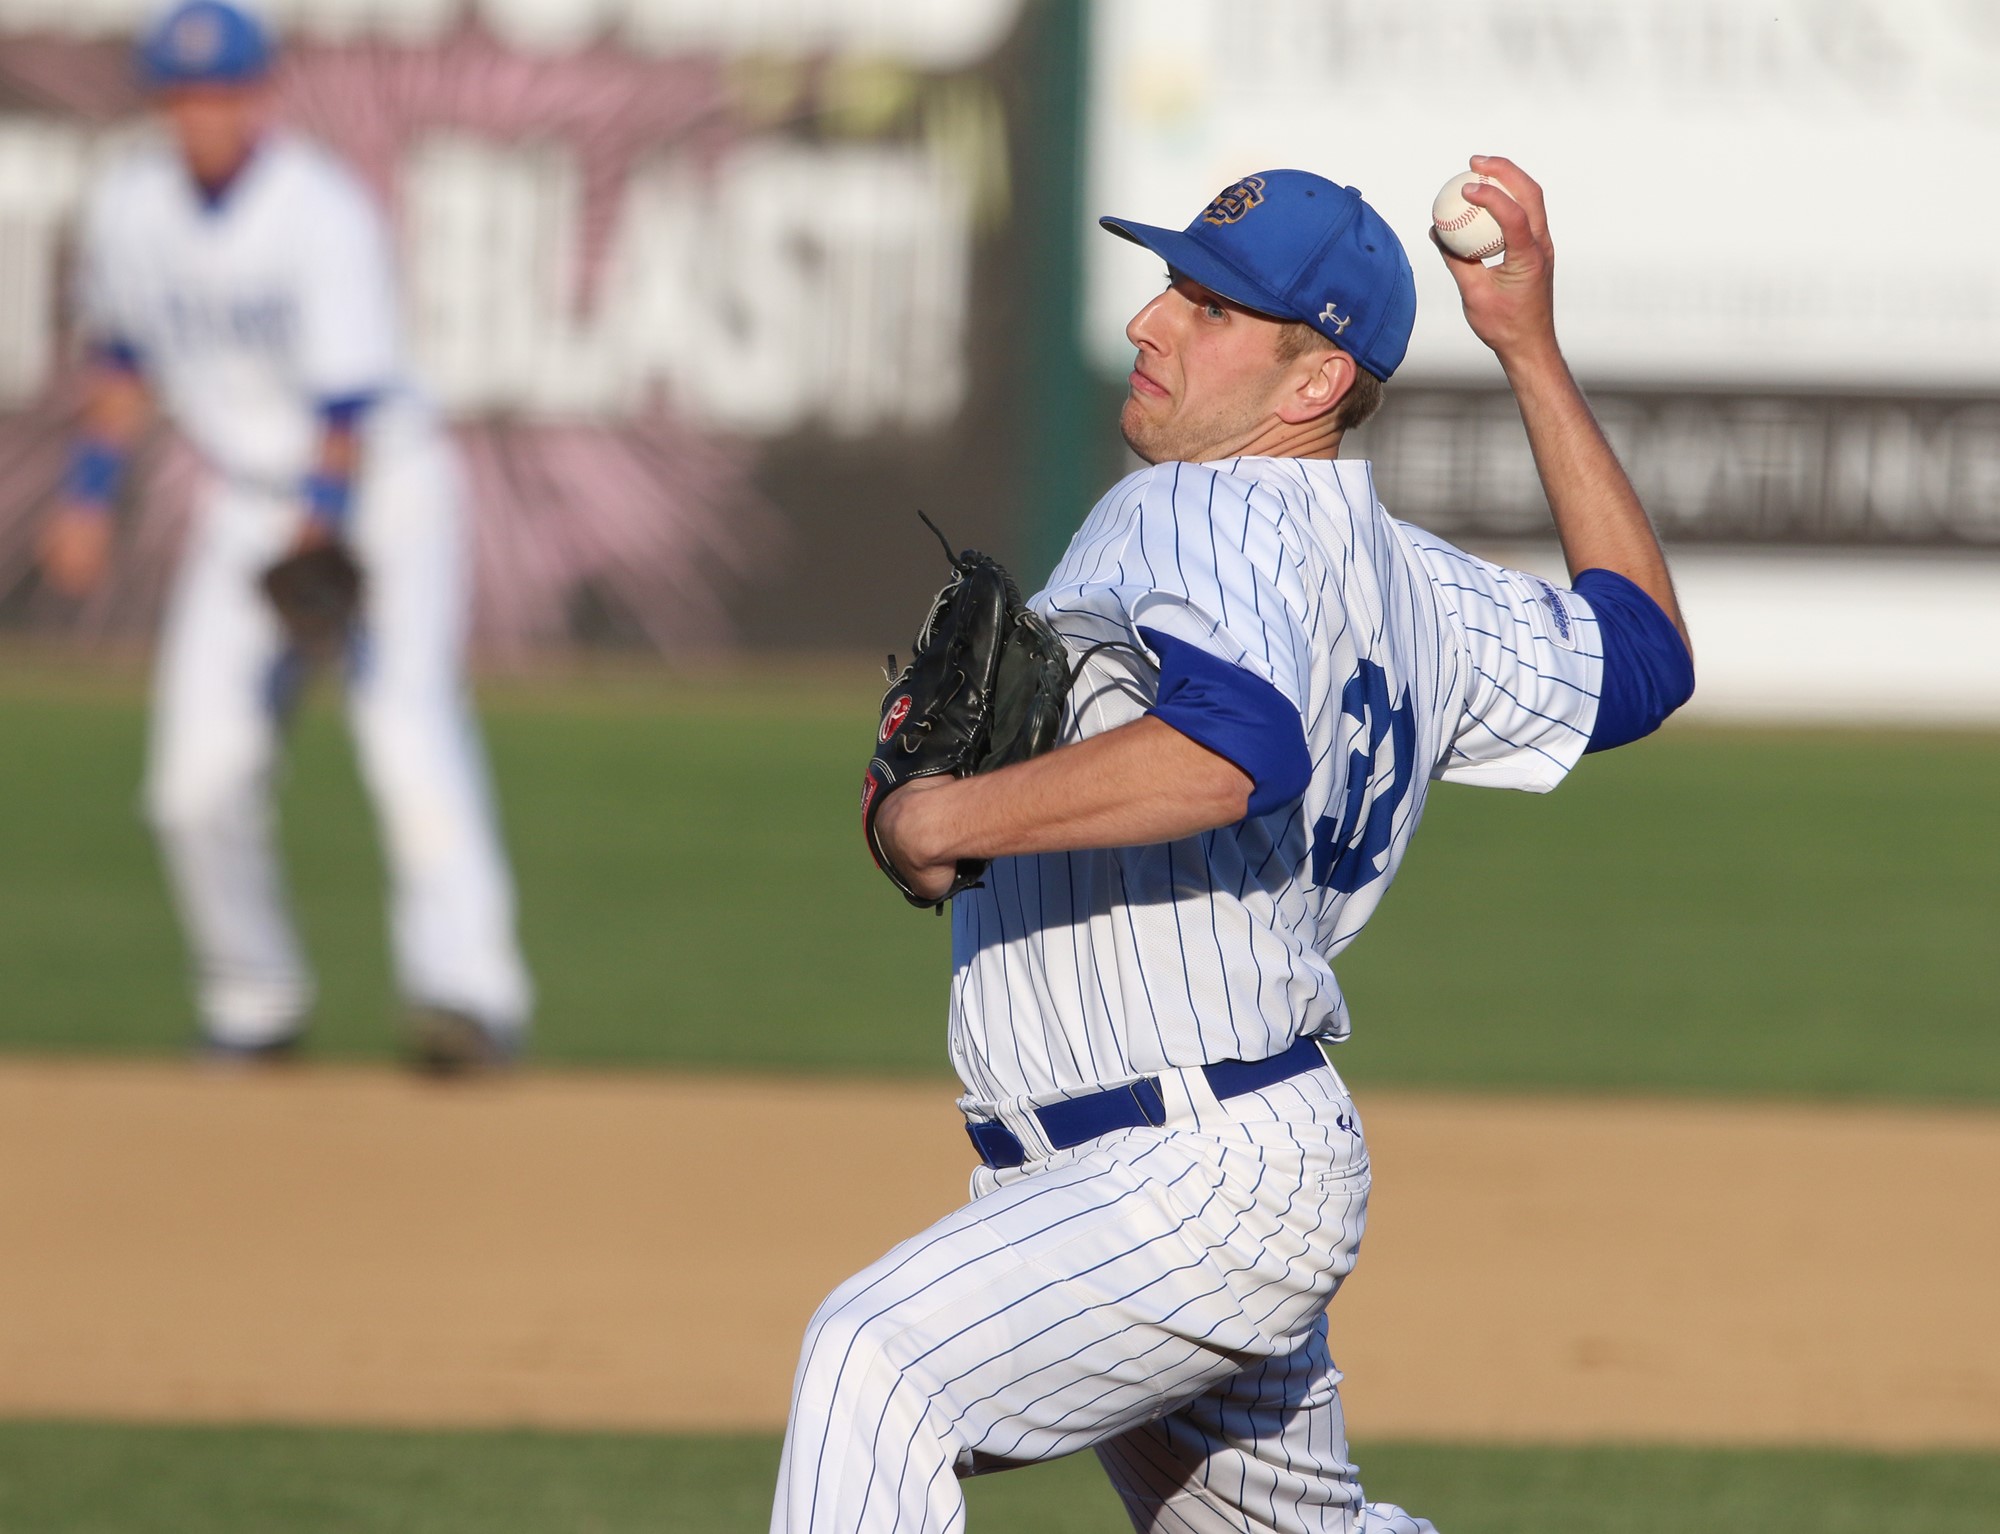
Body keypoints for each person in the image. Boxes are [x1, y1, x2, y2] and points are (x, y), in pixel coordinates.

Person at [775, 158, 1694, 1532]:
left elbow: (1233, 749)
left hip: (1183, 1179)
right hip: (1213, 1157)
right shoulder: (1402, 576)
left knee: (879, 1365)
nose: (1152, 324)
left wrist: (937, 815)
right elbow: (1640, 658)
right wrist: (1529, 349)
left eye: (1206, 309)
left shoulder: (1204, 508)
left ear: (1312, 381)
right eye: (1170, 287)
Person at [38, 1, 531, 1072]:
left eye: (222, 90)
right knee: (193, 780)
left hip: (378, 492)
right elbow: (120, 367)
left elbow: (345, 409)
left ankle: (468, 995)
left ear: (261, 92)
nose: (203, 113)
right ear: (161, 99)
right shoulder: (131, 209)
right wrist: (86, 495)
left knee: (406, 736)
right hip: (245, 501)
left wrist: (319, 548)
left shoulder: (319, 212)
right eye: (183, 92)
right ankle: (251, 1000)